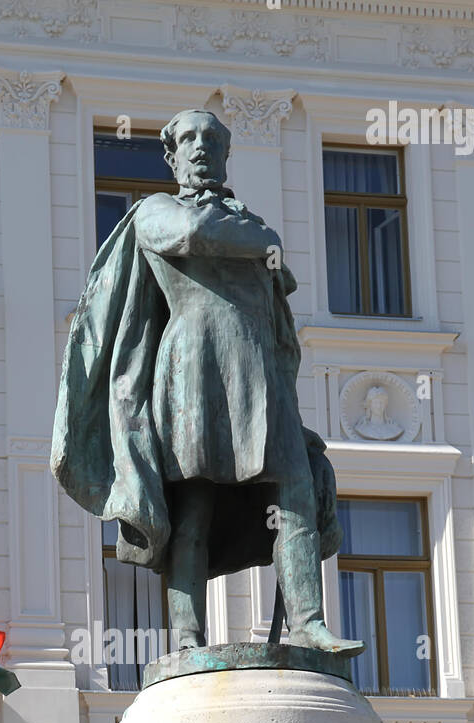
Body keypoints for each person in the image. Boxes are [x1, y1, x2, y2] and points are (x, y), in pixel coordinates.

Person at [51, 108, 364, 655]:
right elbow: (193, 232)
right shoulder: (154, 211)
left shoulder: (245, 219)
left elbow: (276, 303)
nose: (201, 147)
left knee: (294, 490)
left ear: (224, 153)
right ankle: (189, 636)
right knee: (193, 505)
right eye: (189, 139)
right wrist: (255, 234)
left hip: (259, 373)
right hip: (191, 372)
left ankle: (309, 623)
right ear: (171, 156)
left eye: (211, 139)